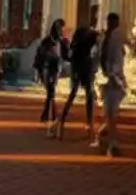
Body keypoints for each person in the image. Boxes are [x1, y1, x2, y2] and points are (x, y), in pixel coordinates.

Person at [55, 11, 99, 139]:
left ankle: (64, 121)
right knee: (86, 93)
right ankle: (87, 123)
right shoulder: (88, 34)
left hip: (80, 64)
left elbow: (71, 51)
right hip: (82, 64)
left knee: (79, 93)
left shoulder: (82, 34)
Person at [94, 12, 128, 156]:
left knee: (110, 115)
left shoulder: (106, 38)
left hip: (107, 79)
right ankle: (111, 144)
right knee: (111, 115)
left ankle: (103, 139)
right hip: (111, 79)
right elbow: (114, 61)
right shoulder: (111, 38)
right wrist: (115, 76)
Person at [35, 19, 69, 135]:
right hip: (46, 70)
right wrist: (40, 71)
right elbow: (41, 56)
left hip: (55, 71)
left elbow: (66, 56)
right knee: (51, 93)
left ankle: (46, 115)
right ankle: (51, 116)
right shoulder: (47, 41)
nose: (63, 31)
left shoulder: (61, 42)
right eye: (62, 29)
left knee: (51, 94)